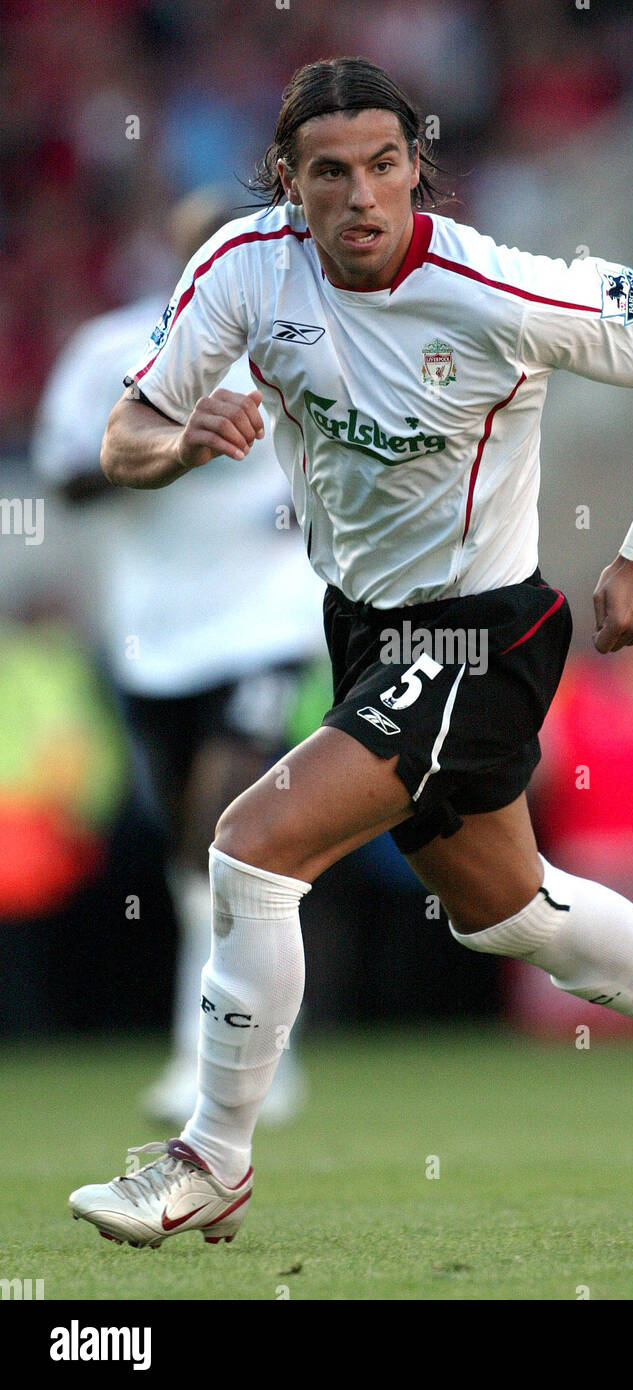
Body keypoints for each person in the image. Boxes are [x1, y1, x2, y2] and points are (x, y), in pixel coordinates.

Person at [69, 57, 633, 1249]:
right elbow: (124, 432)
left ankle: (208, 1157)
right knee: (511, 914)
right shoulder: (242, 268)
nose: (360, 196)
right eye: (329, 173)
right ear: (285, 182)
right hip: (364, 628)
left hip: (479, 629)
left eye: (383, 165)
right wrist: (180, 439)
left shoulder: (494, 285)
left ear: (417, 164)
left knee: (251, 847)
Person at [34, 186, 327, 1127]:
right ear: (184, 257)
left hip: (270, 623)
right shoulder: (111, 354)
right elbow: (66, 479)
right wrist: (169, 449)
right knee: (186, 858)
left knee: (228, 822)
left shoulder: (312, 345)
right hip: (154, 635)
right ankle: (247, 1045)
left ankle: (214, 1063)